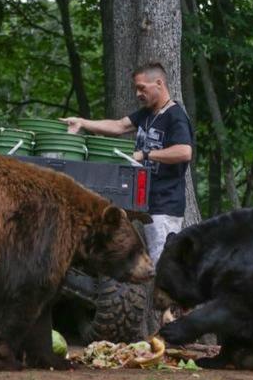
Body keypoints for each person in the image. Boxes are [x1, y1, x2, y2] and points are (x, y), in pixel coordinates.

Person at [61, 62, 194, 264]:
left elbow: (184, 151)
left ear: (159, 83)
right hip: (144, 202)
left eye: (142, 88)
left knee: (161, 262)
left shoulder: (175, 116)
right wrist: (82, 122)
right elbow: (118, 126)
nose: (138, 94)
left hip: (164, 205)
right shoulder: (147, 113)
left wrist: (145, 154)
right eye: (136, 89)